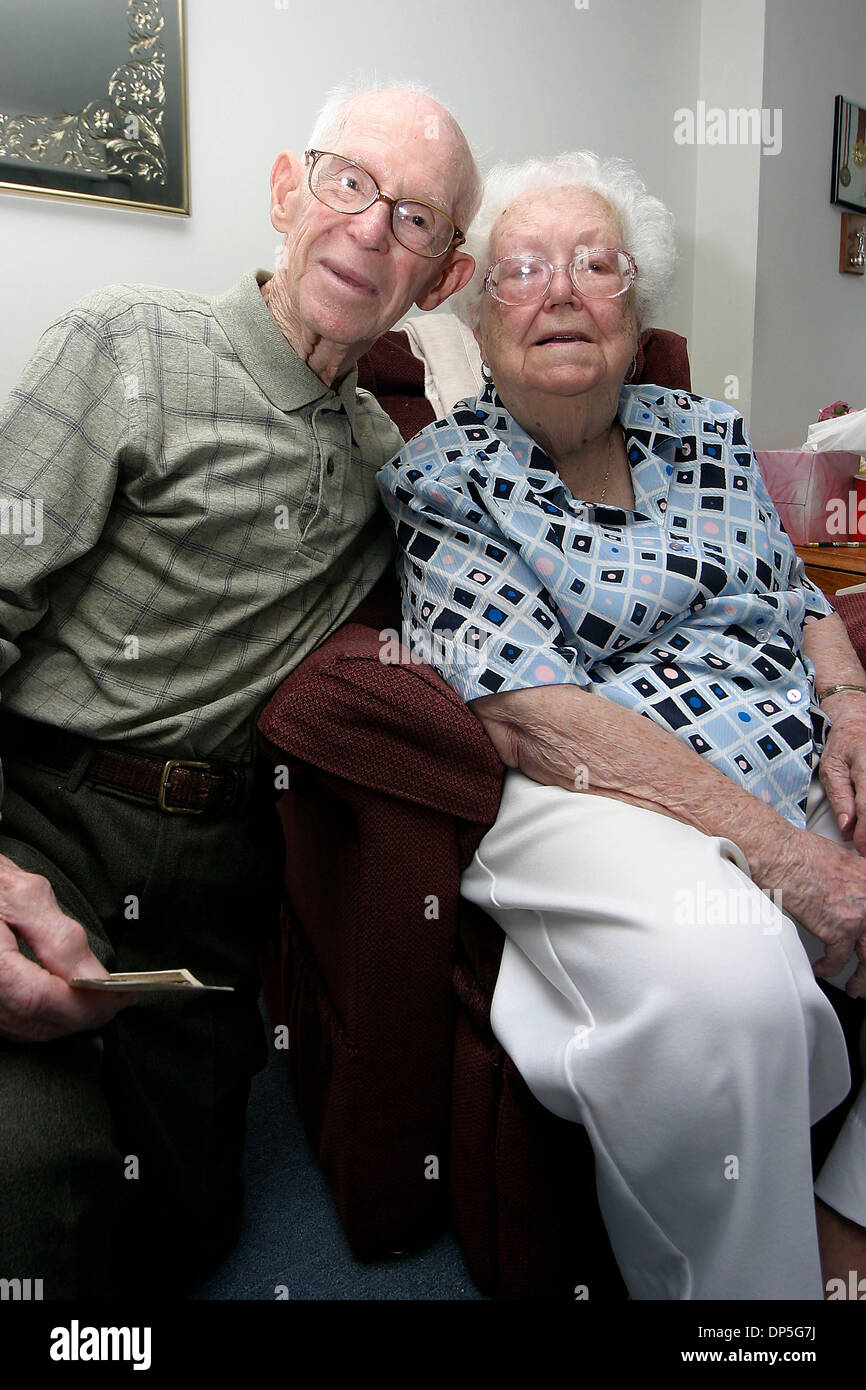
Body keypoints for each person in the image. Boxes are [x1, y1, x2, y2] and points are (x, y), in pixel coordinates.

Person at [0, 83, 479, 1299]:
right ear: (284, 191)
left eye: (416, 220)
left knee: (180, 1230)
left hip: (215, 878)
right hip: (45, 811)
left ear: (438, 278)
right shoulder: (123, 342)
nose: (372, 229)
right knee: (36, 1185)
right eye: (347, 182)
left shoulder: (394, 464)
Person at [378, 151, 866, 1300]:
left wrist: (847, 701)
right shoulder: (442, 476)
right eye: (523, 268)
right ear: (478, 309)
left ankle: (842, 1215)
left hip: (787, 748)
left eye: (595, 265)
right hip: (590, 791)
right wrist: (792, 860)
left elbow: (793, 595)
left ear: (636, 308)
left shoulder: (703, 431)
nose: (559, 290)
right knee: (728, 989)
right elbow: (534, 717)